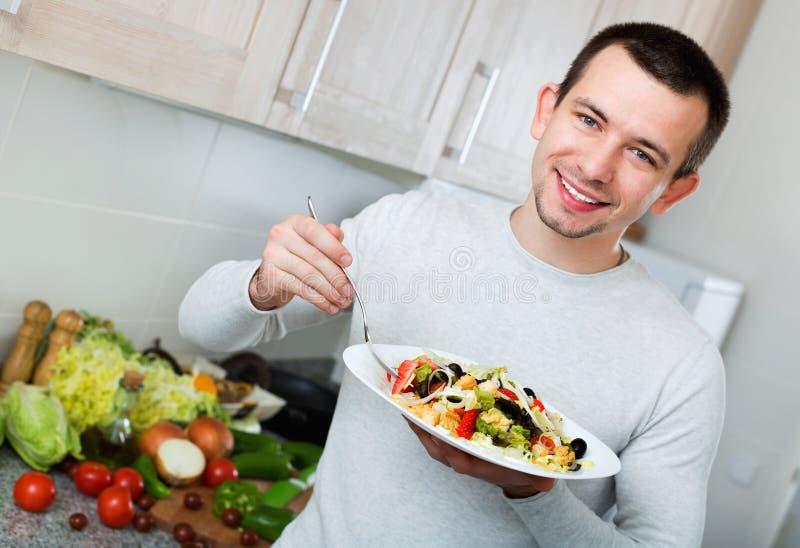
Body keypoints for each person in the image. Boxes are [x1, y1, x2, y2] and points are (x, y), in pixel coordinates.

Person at [180, 22, 729, 547]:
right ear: (547, 110)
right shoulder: (409, 224)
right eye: (589, 119)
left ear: (672, 191)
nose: (595, 166)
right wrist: (261, 286)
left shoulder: (682, 366)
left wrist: (530, 489)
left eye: (641, 153)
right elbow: (200, 328)